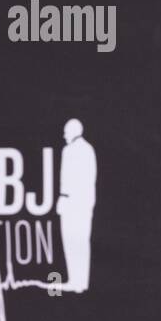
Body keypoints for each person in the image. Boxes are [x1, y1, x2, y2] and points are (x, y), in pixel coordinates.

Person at [56, 118, 96, 293]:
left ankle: (74, 280)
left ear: (73, 131)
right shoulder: (89, 149)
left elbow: (67, 180)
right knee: (82, 242)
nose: (64, 134)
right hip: (85, 204)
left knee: (71, 240)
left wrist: (63, 198)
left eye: (66, 131)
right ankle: (81, 282)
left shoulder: (69, 151)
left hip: (72, 203)